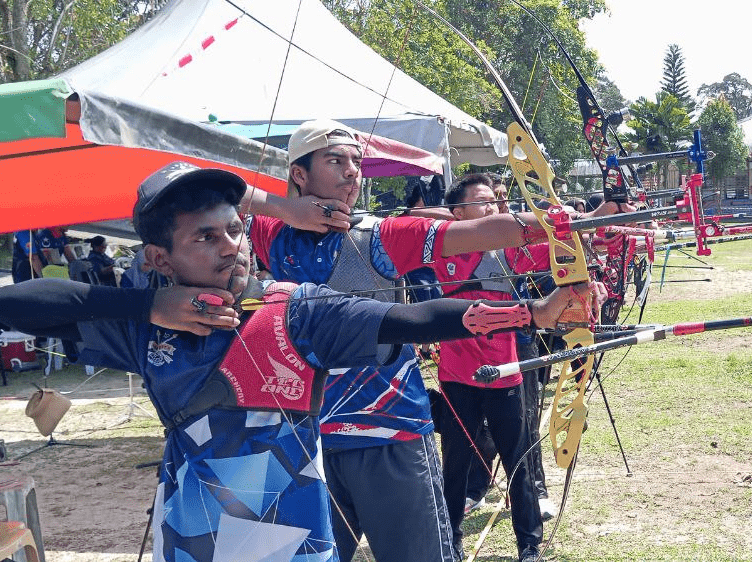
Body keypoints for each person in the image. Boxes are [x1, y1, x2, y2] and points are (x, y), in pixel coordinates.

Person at [0, 161, 600, 562]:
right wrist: (149, 305)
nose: (231, 246)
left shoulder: (296, 312)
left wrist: (534, 315)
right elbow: (17, 306)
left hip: (293, 542)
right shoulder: (144, 330)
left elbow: (412, 320)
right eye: (204, 237)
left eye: (234, 230)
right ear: (157, 258)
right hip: (194, 535)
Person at [245, 119, 628, 562]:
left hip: (388, 432)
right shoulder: (271, 233)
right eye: (336, 161)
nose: (353, 172)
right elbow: (198, 191)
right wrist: (287, 210)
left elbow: (485, 233)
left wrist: (571, 222)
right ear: (299, 173)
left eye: (356, 162)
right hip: (309, 435)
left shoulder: (381, 237)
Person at [428, 173, 553, 561]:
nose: (495, 208)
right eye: (483, 202)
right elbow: (411, 223)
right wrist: (453, 223)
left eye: (497, 202)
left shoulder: (511, 249)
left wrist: (588, 221)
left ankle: (529, 546)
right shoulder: (441, 248)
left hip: (504, 373)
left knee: (518, 462)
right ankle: (450, 542)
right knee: (456, 464)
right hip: (456, 377)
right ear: (458, 211)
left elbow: (558, 248)